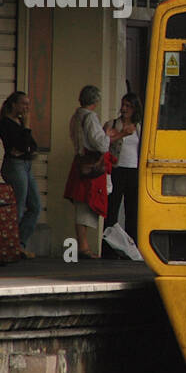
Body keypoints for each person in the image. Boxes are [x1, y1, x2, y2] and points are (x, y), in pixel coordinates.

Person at [64, 85, 120, 259]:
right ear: (95, 102)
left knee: (82, 203)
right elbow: (101, 143)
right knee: (86, 204)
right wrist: (107, 134)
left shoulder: (76, 116)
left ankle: (83, 245)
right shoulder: (90, 117)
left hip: (79, 162)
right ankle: (84, 246)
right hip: (91, 163)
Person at [0, 91, 41, 257]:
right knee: (19, 205)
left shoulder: (21, 123)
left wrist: (26, 144)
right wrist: (27, 128)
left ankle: (20, 242)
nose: (27, 108)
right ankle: (9, 244)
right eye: (23, 103)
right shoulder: (7, 123)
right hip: (14, 165)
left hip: (26, 164)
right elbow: (20, 144)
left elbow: (32, 146)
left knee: (35, 206)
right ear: (13, 104)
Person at [105, 93, 142, 243]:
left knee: (132, 210)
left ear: (135, 109)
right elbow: (103, 143)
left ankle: (132, 244)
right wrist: (121, 133)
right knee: (112, 208)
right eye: (123, 105)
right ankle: (109, 244)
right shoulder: (113, 124)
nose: (124, 108)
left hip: (134, 170)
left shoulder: (140, 126)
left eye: (129, 106)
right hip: (117, 169)